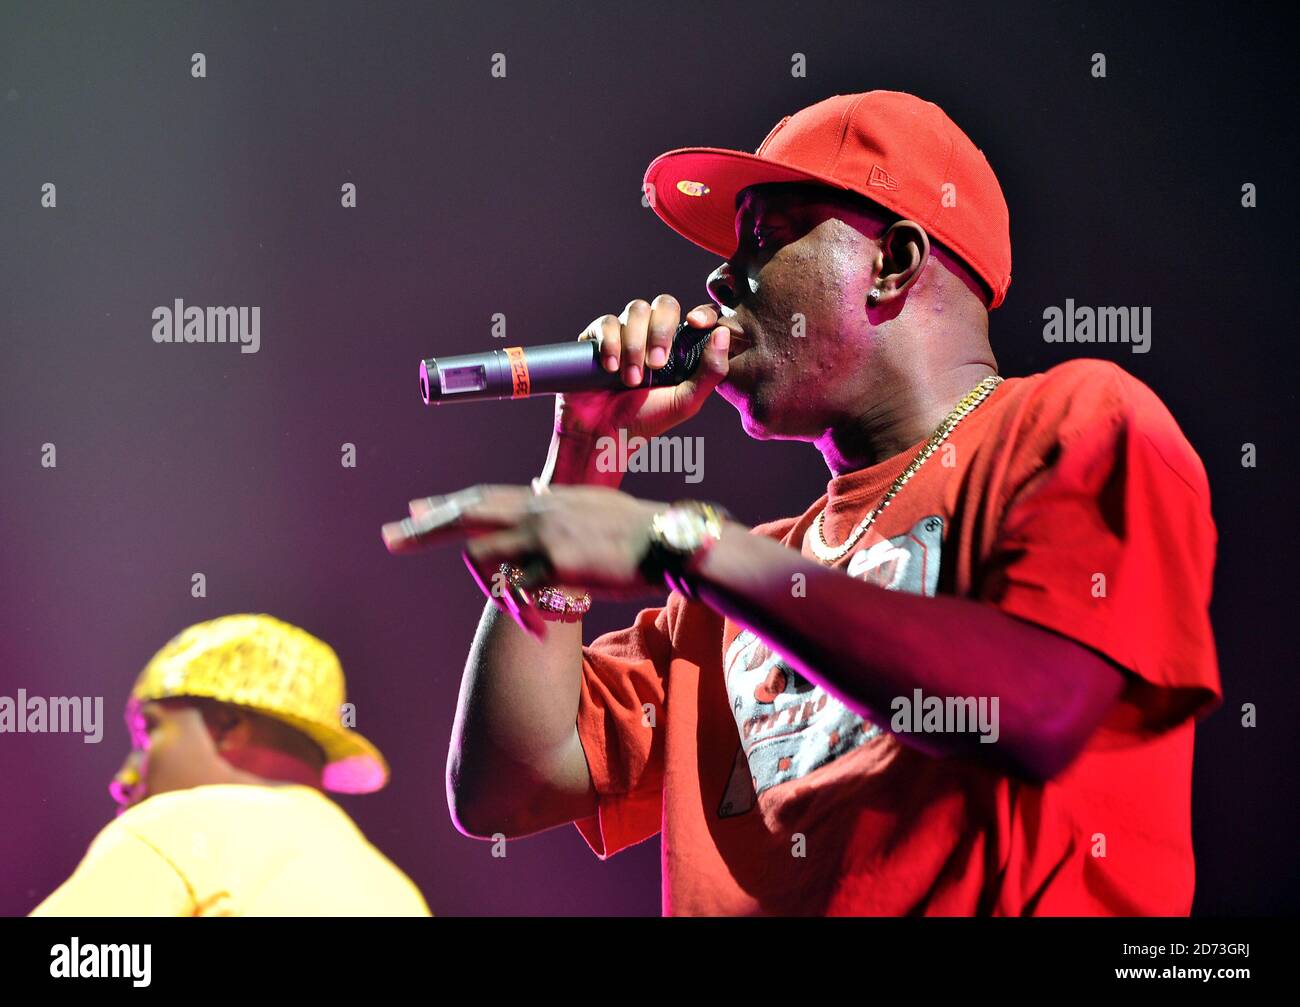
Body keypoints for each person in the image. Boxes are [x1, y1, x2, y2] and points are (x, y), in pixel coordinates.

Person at [384, 90, 1221, 915]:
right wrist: (583, 462)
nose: (719, 275)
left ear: (892, 262)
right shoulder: (726, 592)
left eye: (767, 237)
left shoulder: (1075, 423)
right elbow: (510, 789)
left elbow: (1036, 708)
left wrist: (687, 545)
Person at [31, 613, 431, 916]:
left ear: (227, 727)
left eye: (146, 733)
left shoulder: (176, 828)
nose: (123, 778)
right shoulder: (398, 893)